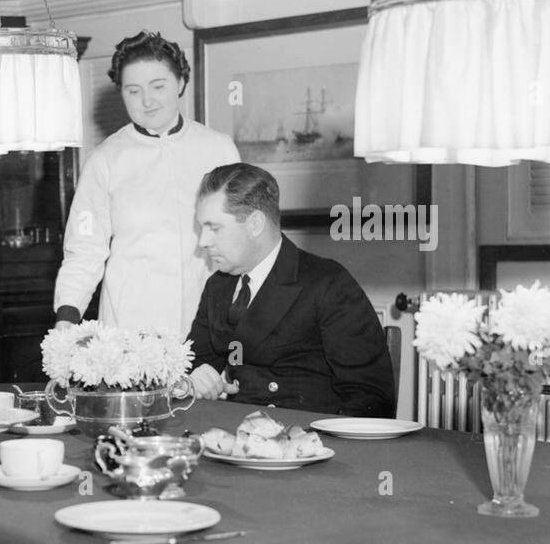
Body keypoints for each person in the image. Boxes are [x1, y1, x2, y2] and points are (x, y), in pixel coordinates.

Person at [53, 30, 239, 335]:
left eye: (158, 86)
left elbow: (239, 238)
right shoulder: (105, 160)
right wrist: (66, 317)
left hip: (206, 317)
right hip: (131, 323)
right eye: (133, 90)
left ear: (180, 83)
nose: (147, 101)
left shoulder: (219, 149)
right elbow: (84, 249)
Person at [186, 162, 396, 417]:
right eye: (202, 228)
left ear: (254, 224)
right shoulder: (218, 286)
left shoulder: (328, 284)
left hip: (307, 442)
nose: (203, 242)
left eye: (214, 228)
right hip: (238, 435)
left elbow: (371, 399)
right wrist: (193, 382)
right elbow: (194, 362)